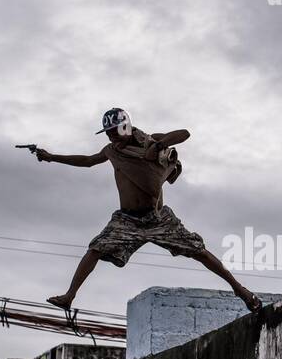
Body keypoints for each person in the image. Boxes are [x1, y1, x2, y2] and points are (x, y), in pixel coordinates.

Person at [30, 108, 263, 313]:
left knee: (199, 251)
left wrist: (159, 146)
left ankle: (240, 290)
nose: (111, 137)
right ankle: (69, 296)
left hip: (158, 218)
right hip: (127, 220)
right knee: (95, 250)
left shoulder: (149, 142)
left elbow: (184, 134)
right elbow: (88, 160)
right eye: (108, 133)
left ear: (125, 127)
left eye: (114, 131)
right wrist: (52, 157)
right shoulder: (112, 150)